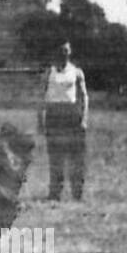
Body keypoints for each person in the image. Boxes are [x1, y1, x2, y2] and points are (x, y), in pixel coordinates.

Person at [38, 41, 88, 202]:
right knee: (55, 157)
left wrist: (84, 118)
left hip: (72, 116)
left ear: (70, 52)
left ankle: (77, 193)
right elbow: (41, 98)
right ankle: (55, 193)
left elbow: (84, 97)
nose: (64, 54)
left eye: (66, 50)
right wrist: (40, 120)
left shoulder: (77, 72)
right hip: (54, 116)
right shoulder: (48, 73)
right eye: (61, 51)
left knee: (76, 157)